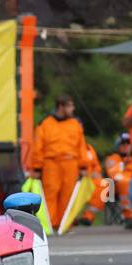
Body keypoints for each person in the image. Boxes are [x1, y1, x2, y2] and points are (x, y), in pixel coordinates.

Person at [30, 94, 88, 227]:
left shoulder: (75, 124)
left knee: (68, 194)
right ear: (61, 106)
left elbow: (81, 146)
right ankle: (50, 224)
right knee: (50, 193)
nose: (72, 109)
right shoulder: (45, 124)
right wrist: (37, 167)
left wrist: (83, 166)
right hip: (52, 163)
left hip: (71, 163)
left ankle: (65, 224)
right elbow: (38, 146)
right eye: (70, 106)